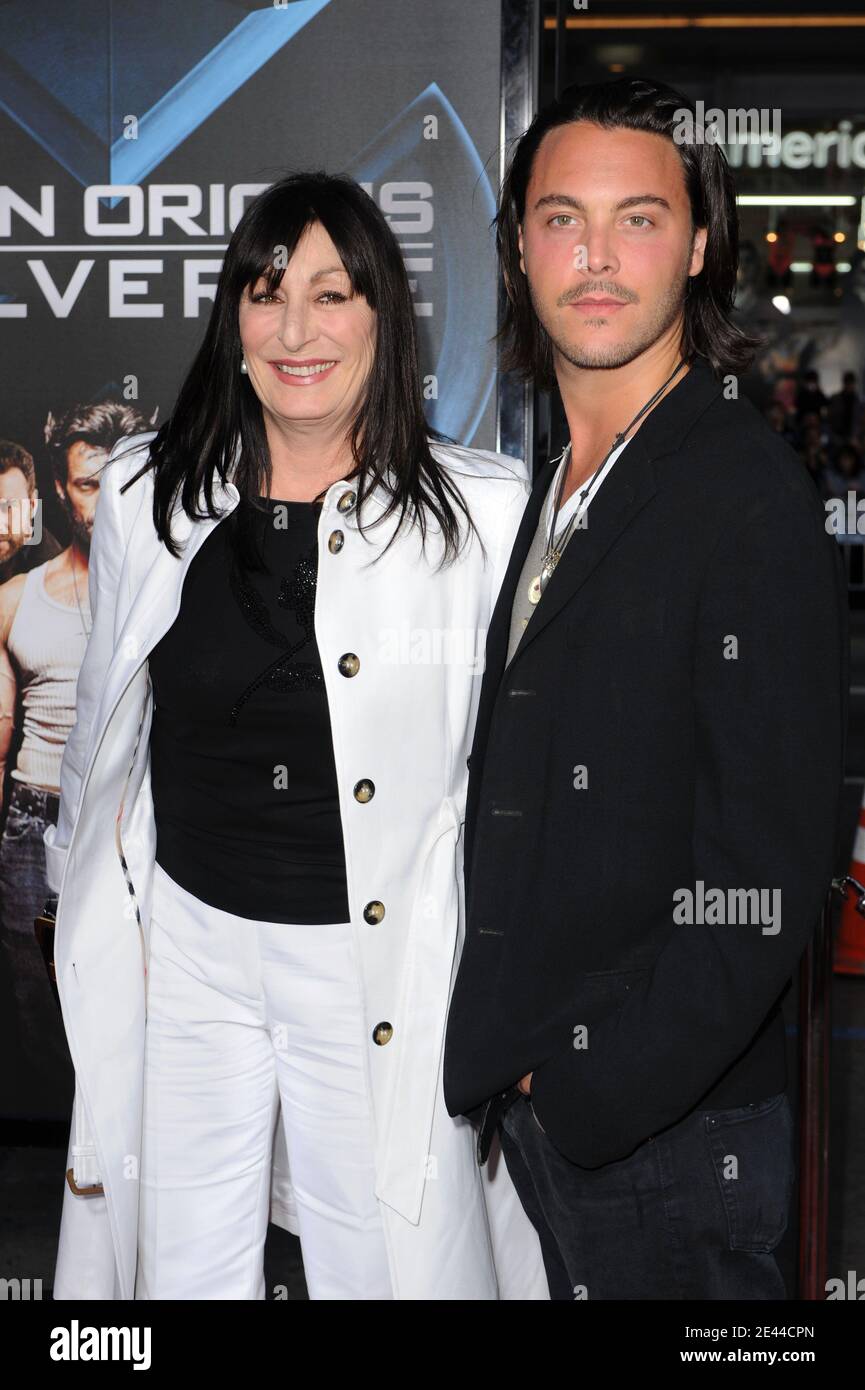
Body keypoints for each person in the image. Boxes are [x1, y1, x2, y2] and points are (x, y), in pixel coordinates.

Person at [44, 172, 547, 1300]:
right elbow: (103, 744)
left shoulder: (481, 515)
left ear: (385, 318)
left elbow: (518, 785)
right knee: (181, 1269)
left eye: (332, 294)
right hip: (187, 951)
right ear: (232, 320)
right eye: (266, 294)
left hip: (367, 963)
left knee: (381, 1262)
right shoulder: (142, 494)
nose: (296, 330)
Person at [443, 76, 848, 1301]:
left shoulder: (739, 491)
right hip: (560, 1122)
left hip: (670, 1141)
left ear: (699, 241)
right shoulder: (553, 484)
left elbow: (770, 866)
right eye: (563, 218)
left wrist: (592, 1088)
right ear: (518, 247)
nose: (598, 256)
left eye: (639, 218)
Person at [0, 405, 147, 1118]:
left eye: (121, 481)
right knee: (39, 1009)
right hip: (34, 823)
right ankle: (70, 1191)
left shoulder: (166, 594)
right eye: (90, 485)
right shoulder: (14, 598)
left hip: (129, 823)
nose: (106, 501)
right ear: (61, 489)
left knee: (134, 1007)